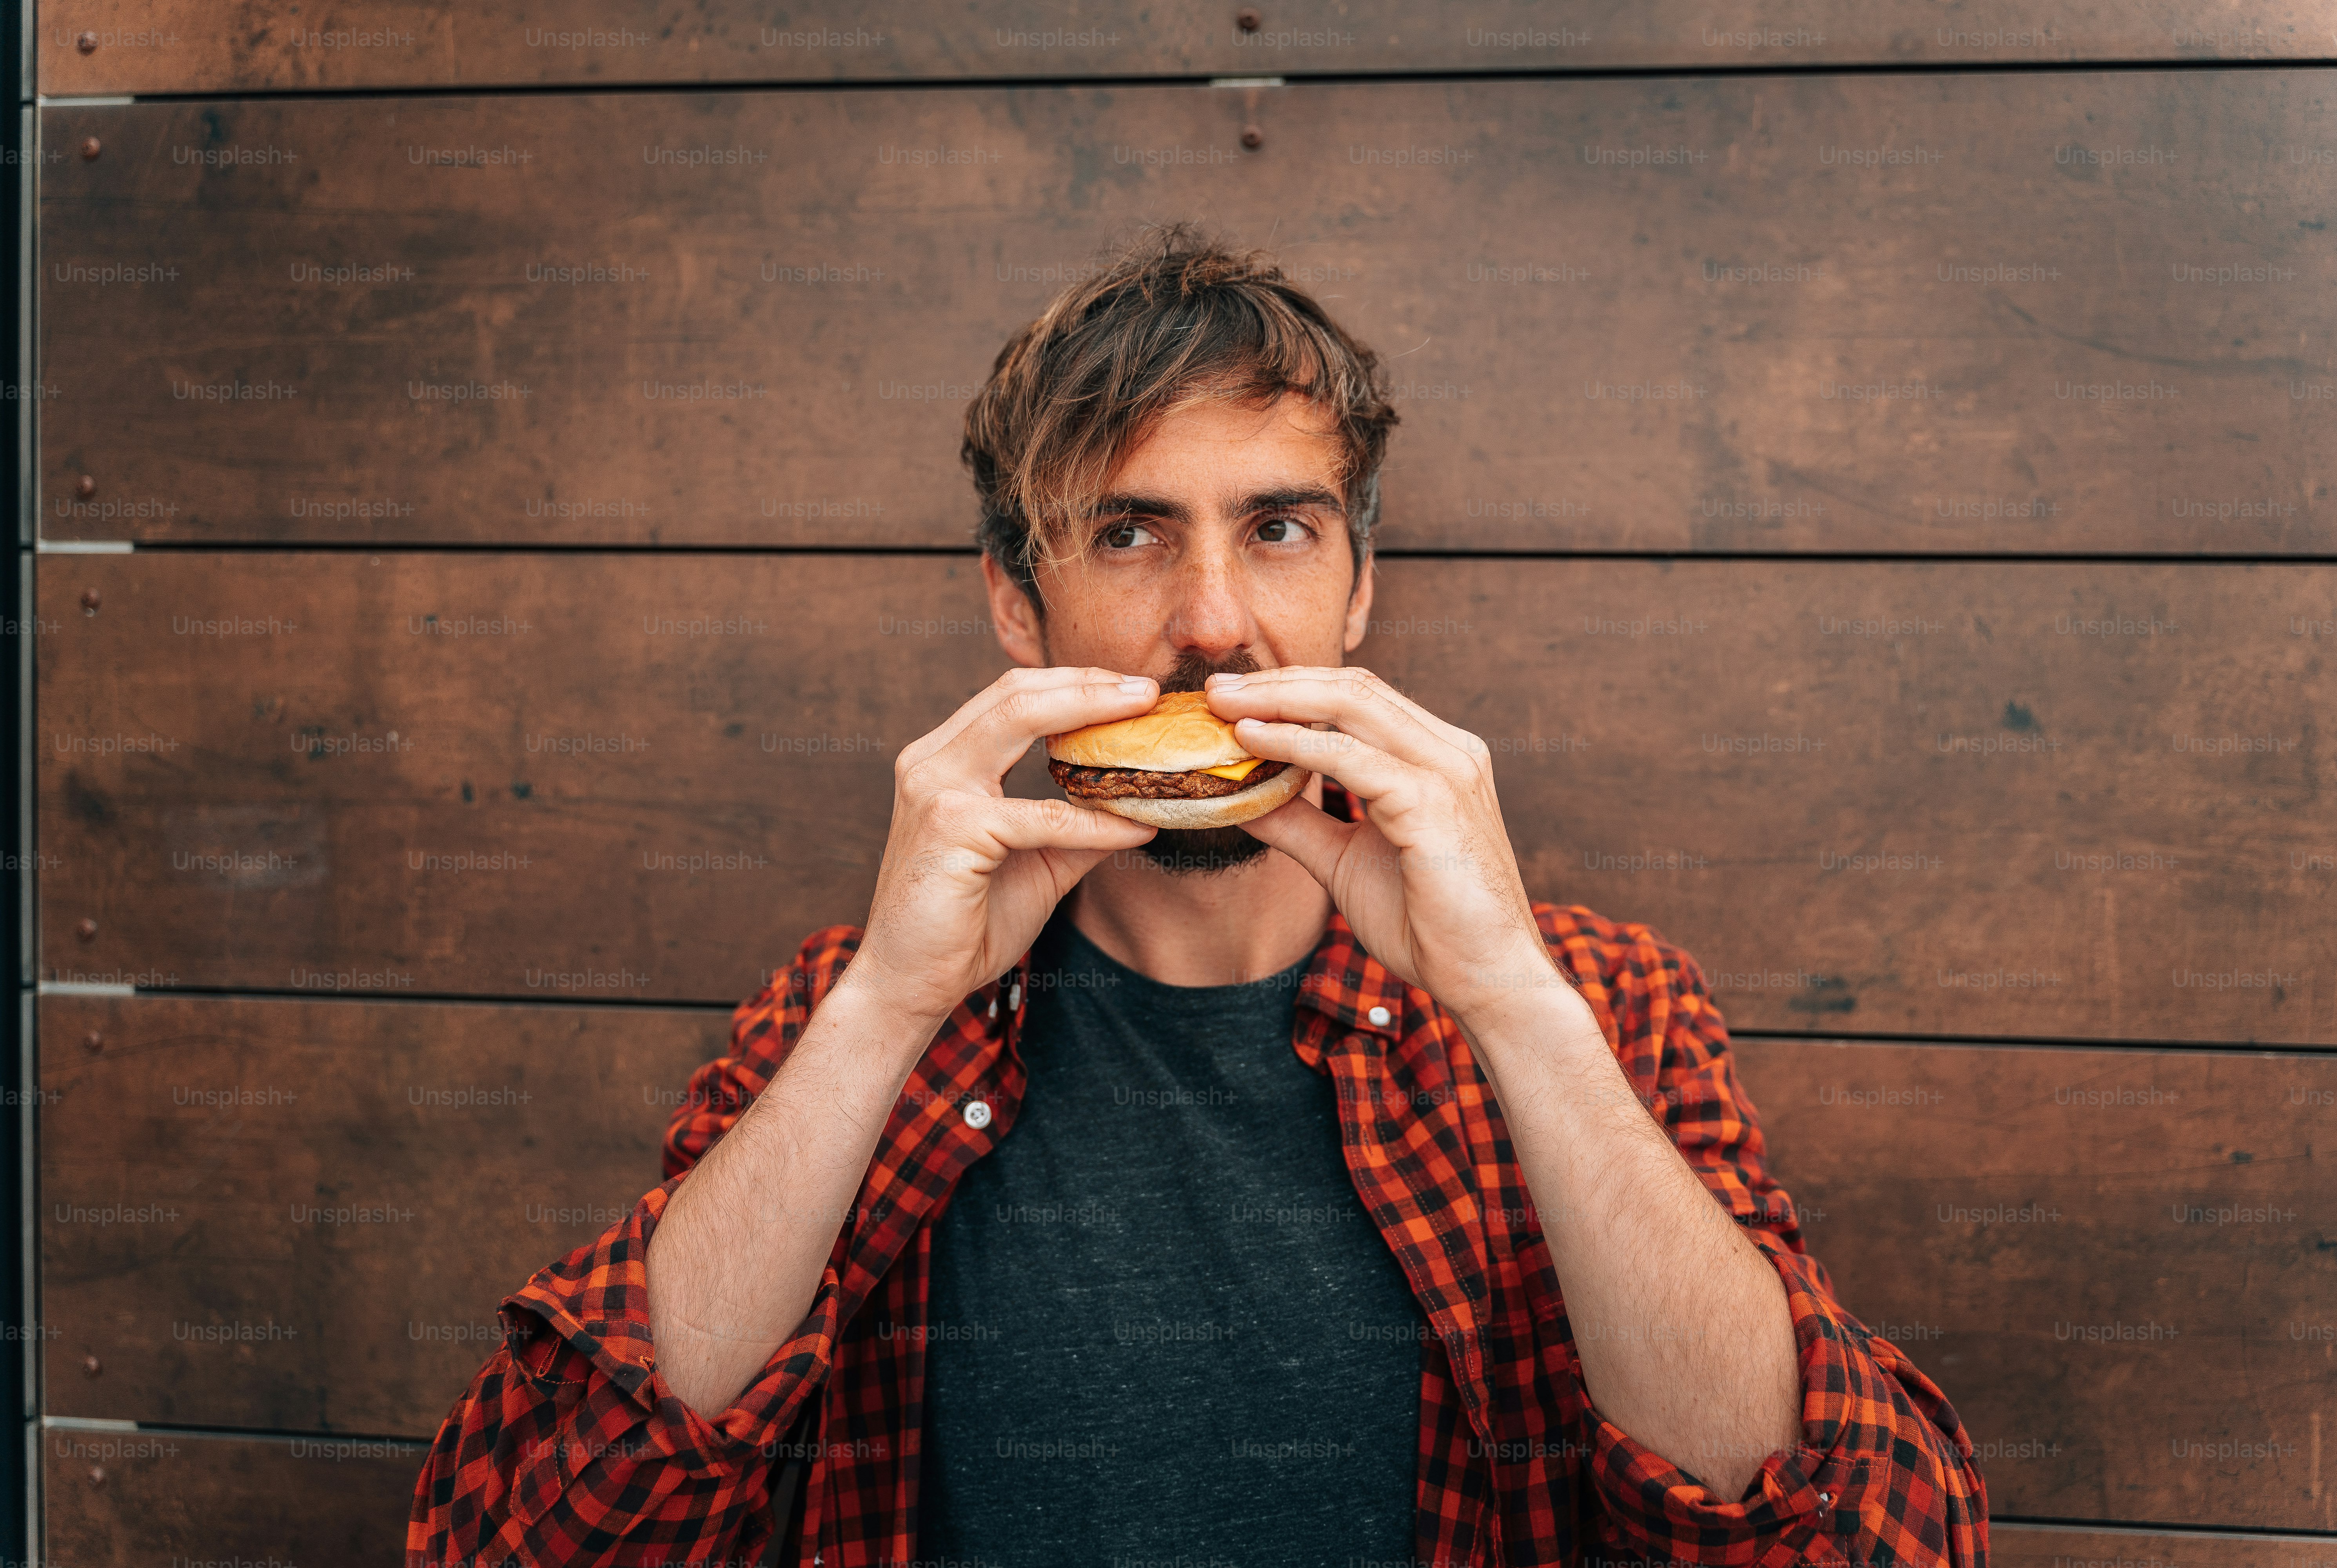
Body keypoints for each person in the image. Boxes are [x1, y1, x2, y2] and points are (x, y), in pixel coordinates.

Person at [409, 227, 1987, 1568]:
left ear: (1358, 589)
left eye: (1280, 530)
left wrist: (1515, 1000)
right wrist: (884, 1009)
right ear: (1019, 607)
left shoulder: (1605, 1003)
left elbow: (1874, 1537)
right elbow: (516, 1534)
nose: (1216, 625)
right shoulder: (856, 1011)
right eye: (1128, 533)